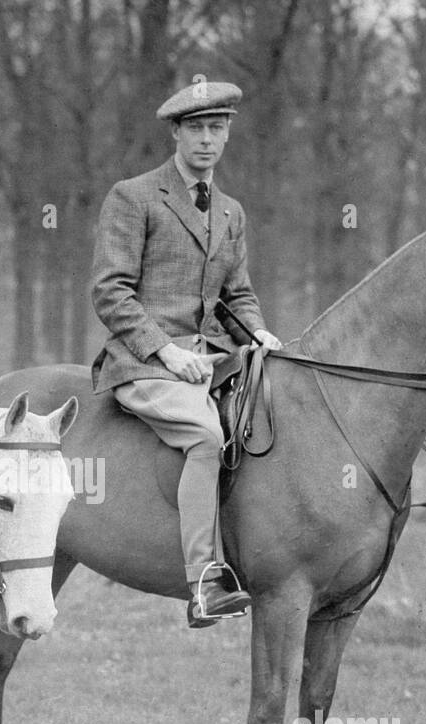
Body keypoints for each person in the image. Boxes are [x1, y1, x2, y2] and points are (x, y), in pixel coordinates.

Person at [91, 80, 284, 628]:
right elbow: (111, 291)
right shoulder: (134, 196)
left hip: (212, 360)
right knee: (206, 437)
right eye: (196, 128)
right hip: (144, 362)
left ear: (227, 134)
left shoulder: (230, 212)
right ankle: (204, 580)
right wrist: (167, 353)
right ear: (176, 133)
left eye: (216, 129)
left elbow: (235, 295)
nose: (206, 140)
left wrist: (259, 337)